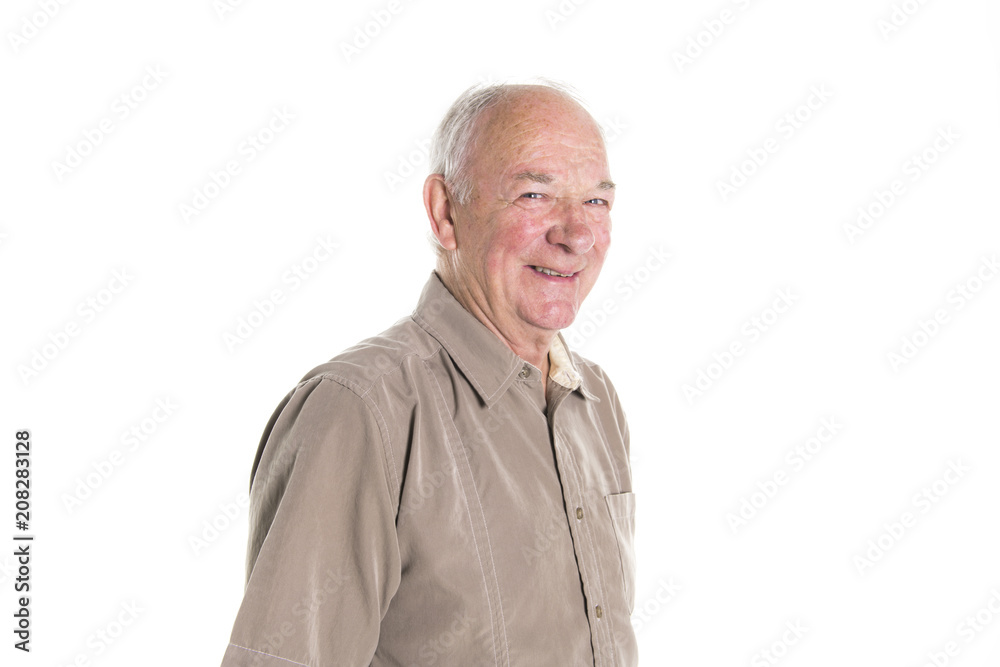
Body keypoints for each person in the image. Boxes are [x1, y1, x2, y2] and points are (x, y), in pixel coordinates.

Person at [220, 80, 637, 666]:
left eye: (596, 202)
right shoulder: (360, 409)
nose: (577, 235)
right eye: (535, 195)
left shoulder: (594, 401)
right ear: (445, 212)